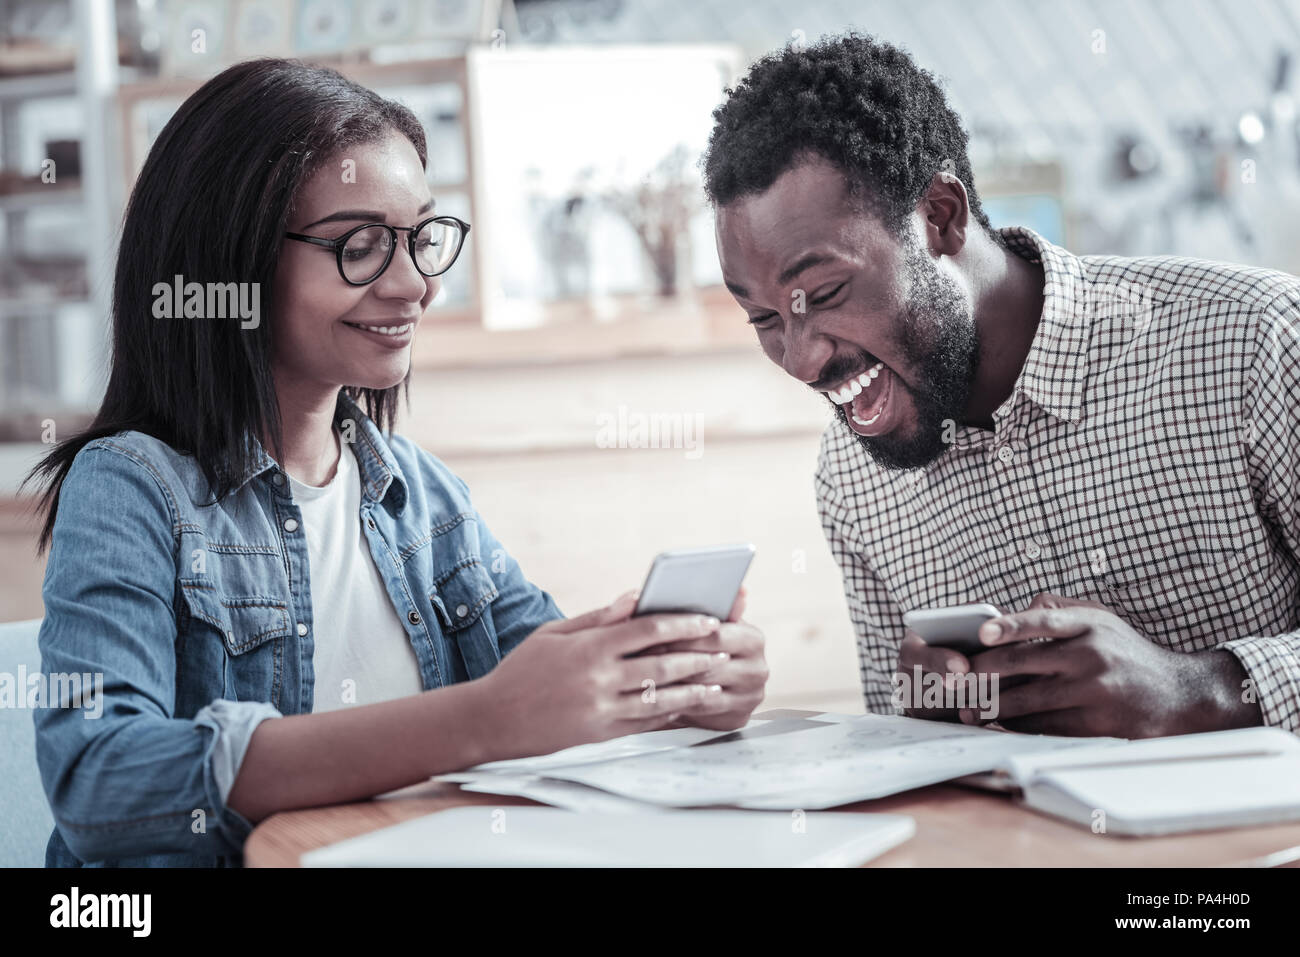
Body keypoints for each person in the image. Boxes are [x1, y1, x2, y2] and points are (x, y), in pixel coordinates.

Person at [24, 58, 768, 867]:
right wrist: (480, 720)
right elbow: (100, 780)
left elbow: (542, 696)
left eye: (421, 238)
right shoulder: (134, 488)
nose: (414, 284)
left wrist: (673, 686)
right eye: (362, 246)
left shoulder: (422, 496)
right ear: (228, 262)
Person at [703, 32, 1299, 738]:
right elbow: (917, 775)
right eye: (765, 319)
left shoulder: (1252, 342)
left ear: (941, 217)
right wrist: (927, 723)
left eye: (824, 292)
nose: (800, 361)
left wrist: (1202, 690)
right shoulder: (851, 480)